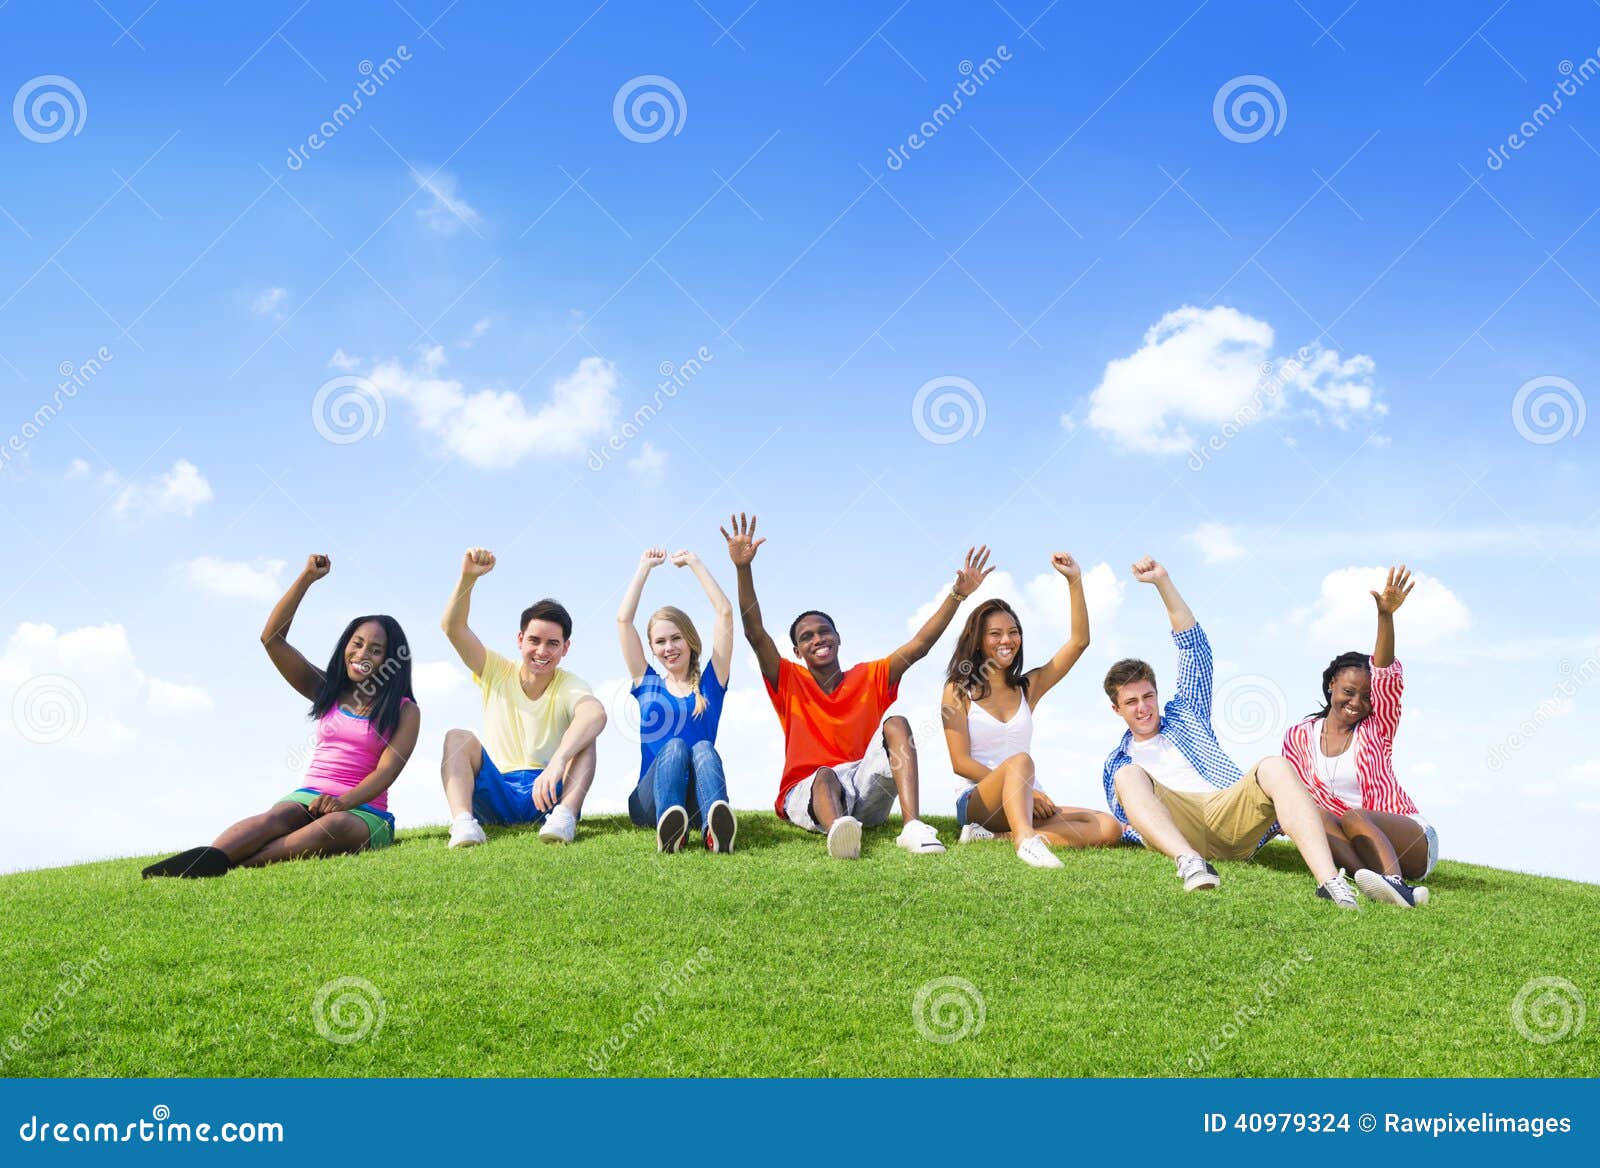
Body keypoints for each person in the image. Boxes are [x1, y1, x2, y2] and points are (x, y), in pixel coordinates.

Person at [723, 511, 990, 860]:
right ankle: (840, 835)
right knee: (825, 776)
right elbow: (755, 633)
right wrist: (743, 568)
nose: (817, 638)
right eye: (807, 637)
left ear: (837, 638)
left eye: (823, 631)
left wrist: (957, 594)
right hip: (809, 792)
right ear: (797, 651)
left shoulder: (870, 677)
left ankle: (913, 827)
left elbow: (918, 646)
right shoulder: (788, 679)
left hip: (863, 790)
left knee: (896, 723)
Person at [1101, 556, 1363, 907]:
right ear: (1116, 709)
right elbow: (1128, 821)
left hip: (1226, 810)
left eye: (1148, 696)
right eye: (1131, 702)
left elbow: (1195, 650)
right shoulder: (1117, 761)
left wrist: (1163, 582)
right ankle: (1191, 863)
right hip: (1178, 823)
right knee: (1128, 775)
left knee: (1273, 764)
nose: (1143, 707)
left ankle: (1330, 883)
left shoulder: (1185, 715)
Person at [142, 554, 419, 878]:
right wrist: (306, 578)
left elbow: (387, 771)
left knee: (333, 827)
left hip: (363, 811)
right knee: (274, 820)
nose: (361, 655)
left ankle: (233, 866)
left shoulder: (405, 710)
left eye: (375, 649)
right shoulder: (326, 689)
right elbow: (272, 639)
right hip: (308, 795)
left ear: (390, 660)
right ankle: (207, 859)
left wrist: (342, 801)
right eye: (356, 644)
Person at [940, 552, 1123, 868]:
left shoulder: (1028, 687)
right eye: (995, 633)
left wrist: (1074, 580)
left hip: (1026, 798)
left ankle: (996, 836)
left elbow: (1079, 642)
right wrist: (1024, 786)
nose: (1007, 640)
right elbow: (960, 762)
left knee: (1109, 827)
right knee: (1021, 761)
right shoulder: (958, 690)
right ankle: (1026, 842)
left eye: (1013, 632)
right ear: (979, 640)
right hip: (977, 801)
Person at [1281, 565, 1434, 907]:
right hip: (1353, 843)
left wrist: (1385, 617)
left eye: (1366, 697)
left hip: (1409, 840)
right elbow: (1290, 795)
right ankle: (1373, 884)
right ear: (1332, 683)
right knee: (1315, 816)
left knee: (1354, 815)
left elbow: (1386, 675)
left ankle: (1397, 884)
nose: (1357, 703)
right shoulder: (1298, 738)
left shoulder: (1376, 727)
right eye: (1349, 691)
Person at [439, 548, 606, 847]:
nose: (542, 651)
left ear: (565, 648)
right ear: (520, 640)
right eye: (534, 640)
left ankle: (565, 819)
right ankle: (464, 825)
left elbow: (594, 713)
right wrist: (467, 578)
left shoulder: (568, 683)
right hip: (499, 788)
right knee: (457, 737)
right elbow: (453, 628)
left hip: (548, 793)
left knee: (586, 737)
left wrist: (558, 762)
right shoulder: (496, 670)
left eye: (552, 644)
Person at [617, 546, 737, 854]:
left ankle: (713, 832)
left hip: (697, 800)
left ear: (690, 640)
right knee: (675, 746)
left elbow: (724, 612)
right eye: (660, 641)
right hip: (649, 802)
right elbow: (623, 621)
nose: (669, 647)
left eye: (676, 638)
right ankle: (668, 826)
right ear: (652, 649)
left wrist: (695, 563)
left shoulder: (711, 683)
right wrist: (644, 567)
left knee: (703, 747)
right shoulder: (648, 684)